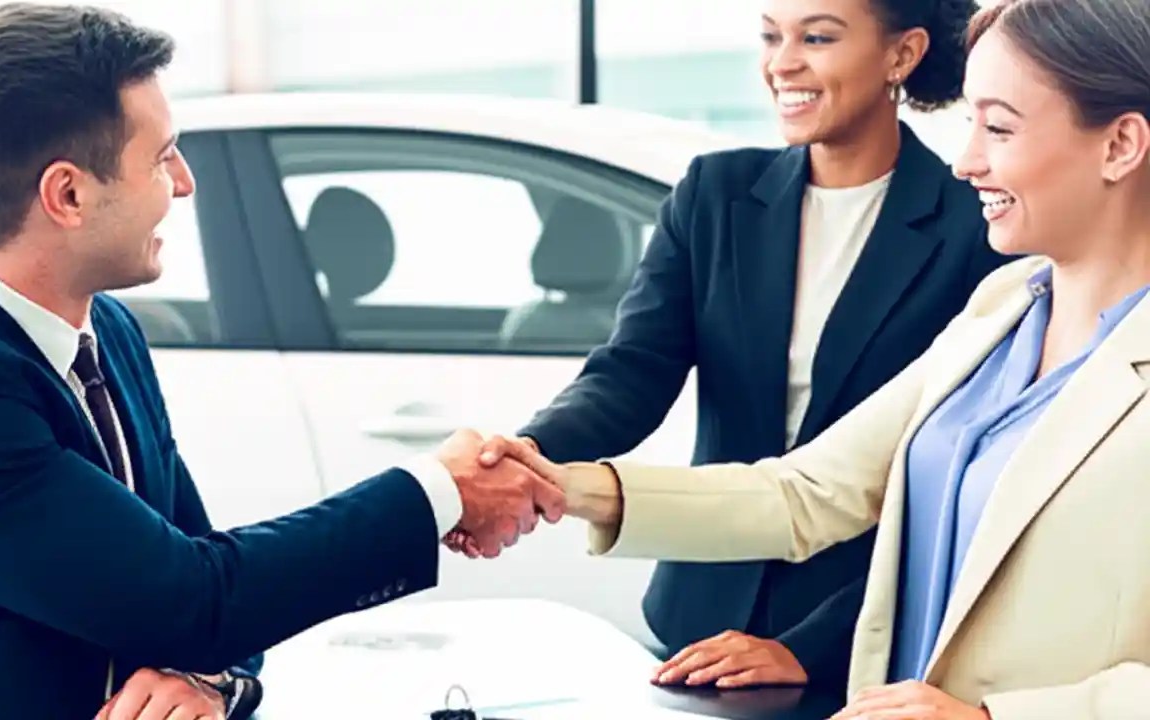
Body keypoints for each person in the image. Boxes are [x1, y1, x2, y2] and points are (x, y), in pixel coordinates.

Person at [0, 5, 562, 719]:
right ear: (68, 194)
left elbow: (208, 587)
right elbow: (198, 601)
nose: (184, 182)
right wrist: (439, 492)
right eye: (161, 157)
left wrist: (215, 684)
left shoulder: (106, 330)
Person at [484, 0, 1150, 715]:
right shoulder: (1003, 309)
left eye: (999, 128)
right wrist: (558, 483)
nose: (966, 161)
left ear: (1119, 145)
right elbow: (805, 493)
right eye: (970, 124)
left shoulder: (987, 270)